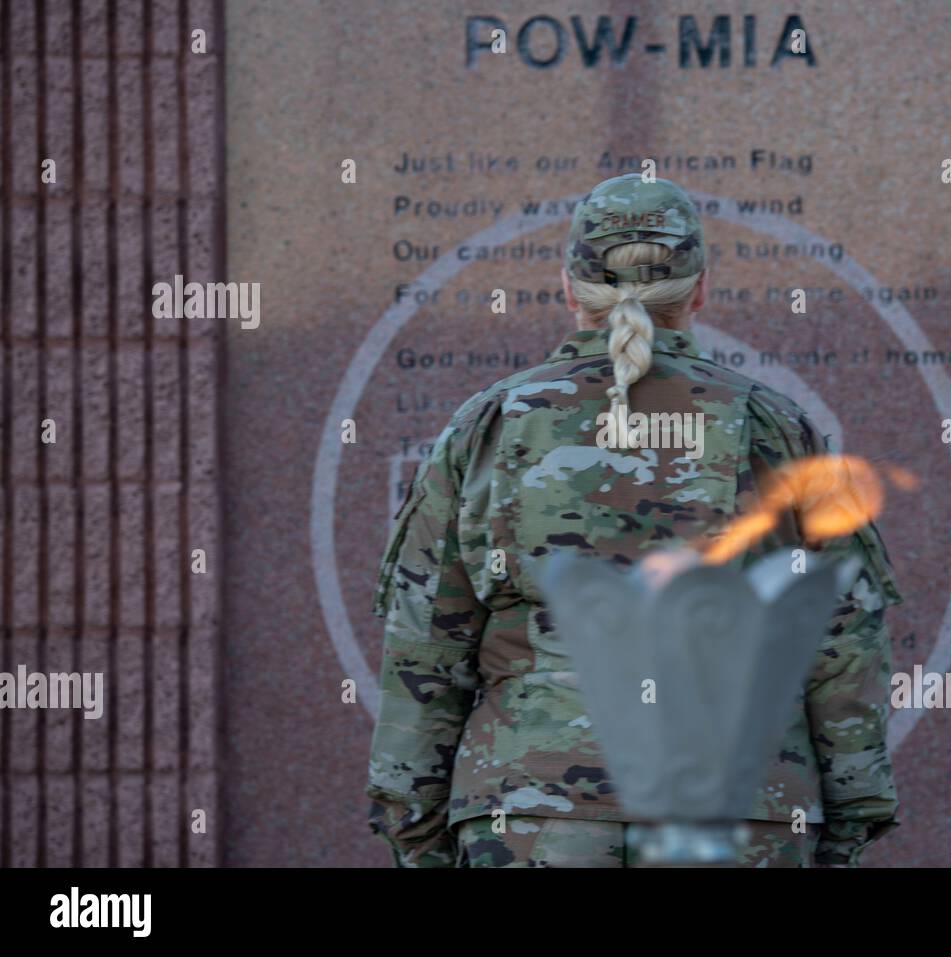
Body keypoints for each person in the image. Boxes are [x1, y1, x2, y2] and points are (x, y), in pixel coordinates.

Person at [365, 173, 903, 868]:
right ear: (700, 289)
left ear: (568, 288)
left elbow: (424, 644)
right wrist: (850, 815)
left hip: (529, 809)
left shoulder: (488, 427)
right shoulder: (777, 426)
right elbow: (842, 641)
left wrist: (416, 830)